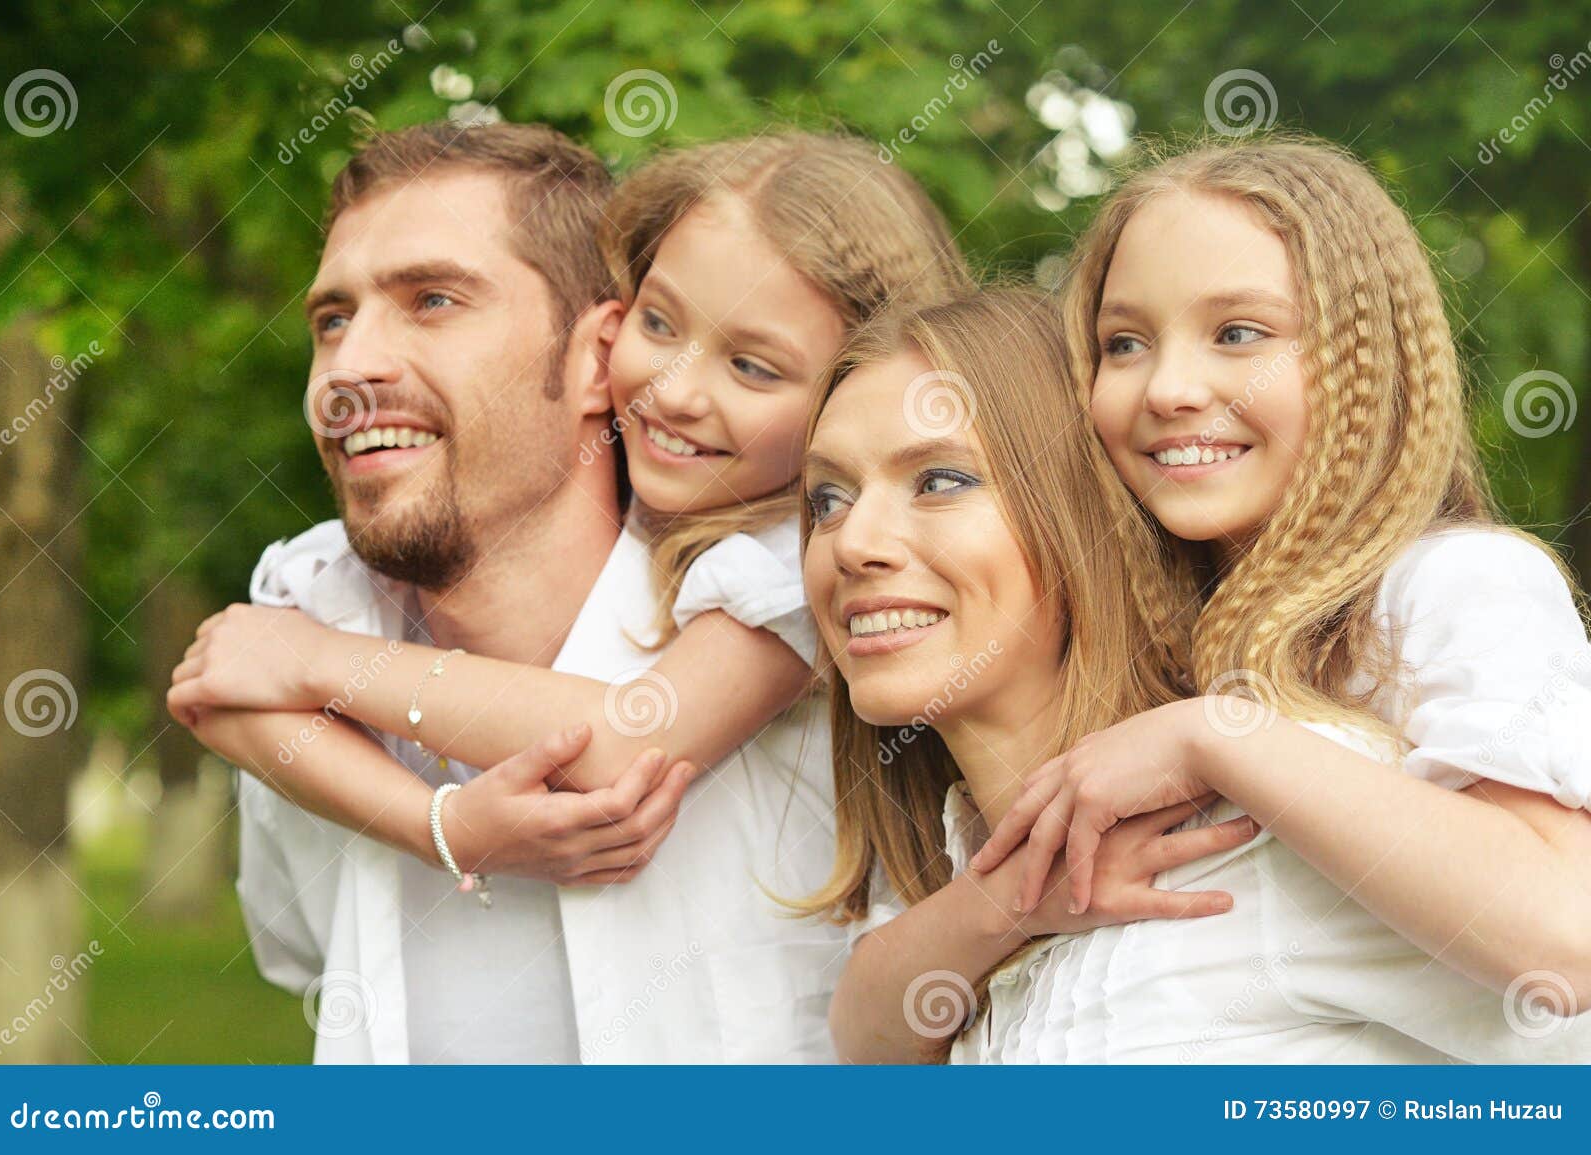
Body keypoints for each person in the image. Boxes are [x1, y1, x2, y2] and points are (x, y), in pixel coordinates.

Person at [170, 123, 969, 1062]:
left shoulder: (815, 584)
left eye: (433, 300)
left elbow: (626, 742)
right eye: (332, 320)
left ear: (594, 350)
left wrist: (317, 665)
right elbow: (285, 903)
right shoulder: (312, 598)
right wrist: (439, 825)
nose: (348, 370)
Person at [798, 286, 1591, 1063]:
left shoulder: (1264, 828)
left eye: (941, 481)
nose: (852, 542)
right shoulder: (967, 885)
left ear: (1088, 509)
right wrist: (1010, 901)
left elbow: (1558, 979)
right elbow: (862, 1039)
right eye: (827, 498)